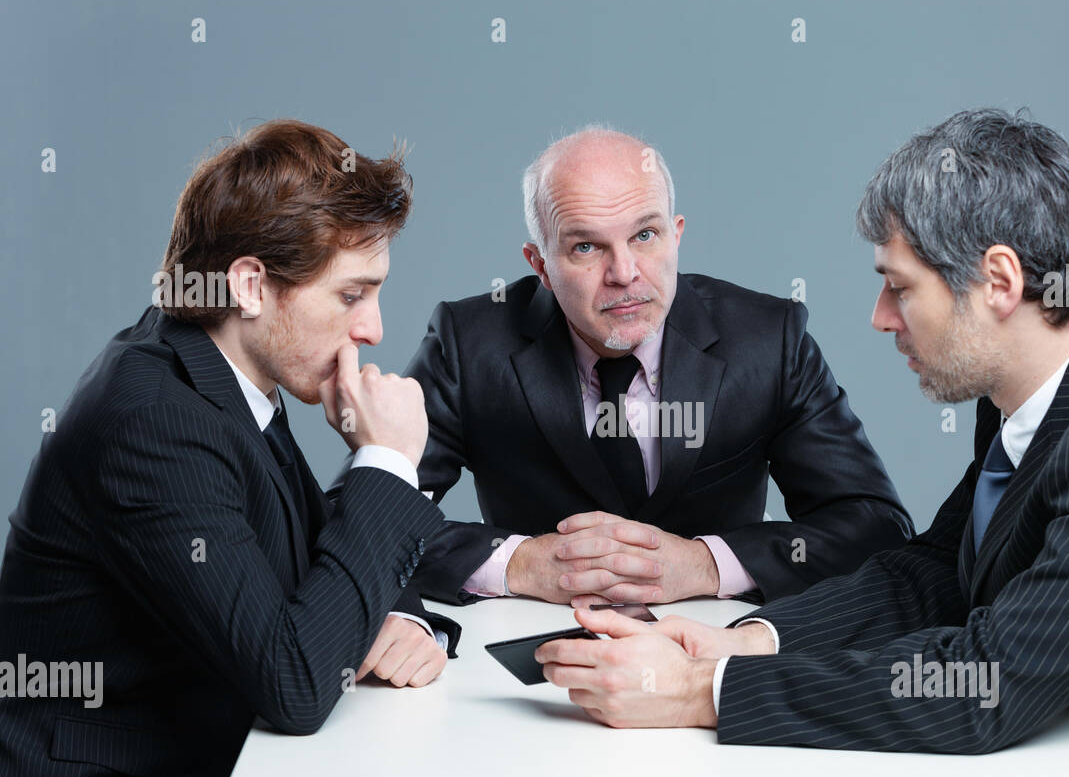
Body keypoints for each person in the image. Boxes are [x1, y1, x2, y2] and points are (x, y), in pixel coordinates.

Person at [536, 109, 1069, 777]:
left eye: (899, 287)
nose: (879, 317)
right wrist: (743, 644)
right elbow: (932, 573)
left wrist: (700, 695)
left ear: (998, 281)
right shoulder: (1043, 376)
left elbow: (987, 681)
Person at [0, 120, 455, 777]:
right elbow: (297, 681)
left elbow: (307, 558)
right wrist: (387, 462)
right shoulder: (151, 418)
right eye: (352, 295)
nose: (372, 328)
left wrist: (398, 620)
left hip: (215, 771)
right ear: (250, 285)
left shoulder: (224, 375)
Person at [375, 126, 912, 616]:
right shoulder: (469, 344)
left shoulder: (770, 340)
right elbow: (365, 520)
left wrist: (705, 564)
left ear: (676, 235)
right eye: (586, 246)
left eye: (645, 236)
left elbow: (874, 526)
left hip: (715, 659)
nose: (625, 274)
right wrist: (519, 564)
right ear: (540, 265)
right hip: (517, 672)